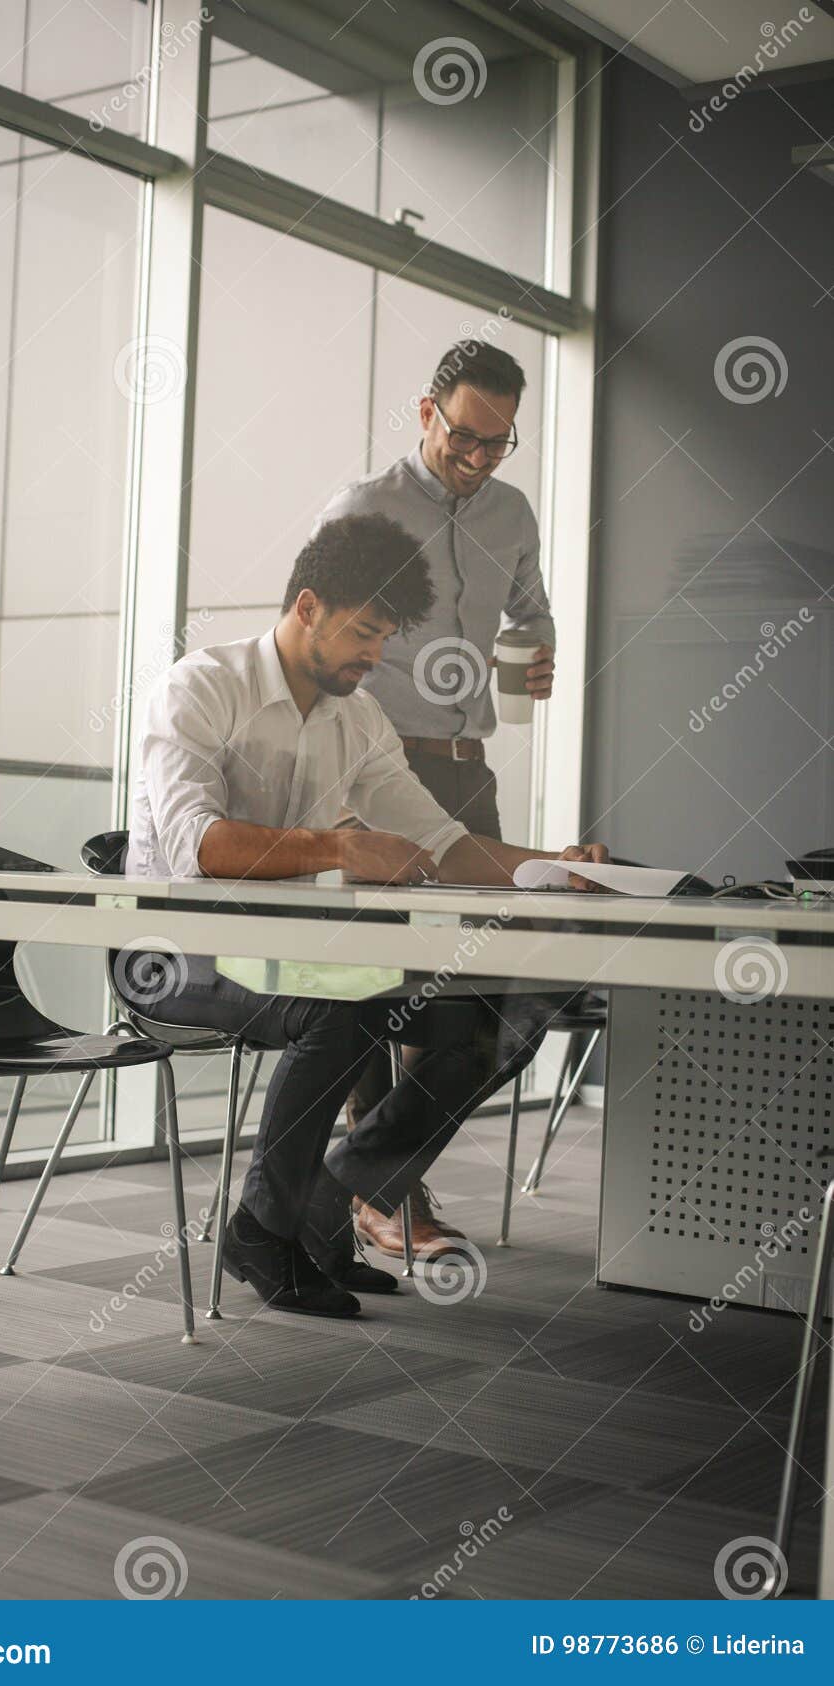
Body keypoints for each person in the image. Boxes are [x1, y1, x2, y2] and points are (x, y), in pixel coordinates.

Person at [119, 513, 607, 1319]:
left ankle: (332, 1193)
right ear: (308, 606)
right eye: (365, 632)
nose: (375, 655)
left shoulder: (358, 719)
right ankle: (265, 1229)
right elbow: (198, 846)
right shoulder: (200, 687)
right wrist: (339, 848)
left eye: (385, 638)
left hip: (285, 954)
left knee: (493, 1012)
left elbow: (444, 846)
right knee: (336, 1009)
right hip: (170, 953)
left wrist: (554, 866)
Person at [314, 339, 556, 1259]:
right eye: (464, 436)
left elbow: (530, 610)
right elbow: (315, 635)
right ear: (426, 412)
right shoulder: (364, 508)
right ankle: (388, 1196)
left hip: (466, 766)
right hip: (376, 769)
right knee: (381, 983)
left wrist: (532, 656)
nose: (478, 457)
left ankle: (356, 1178)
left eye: (498, 442)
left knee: (480, 988)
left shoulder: (511, 511)